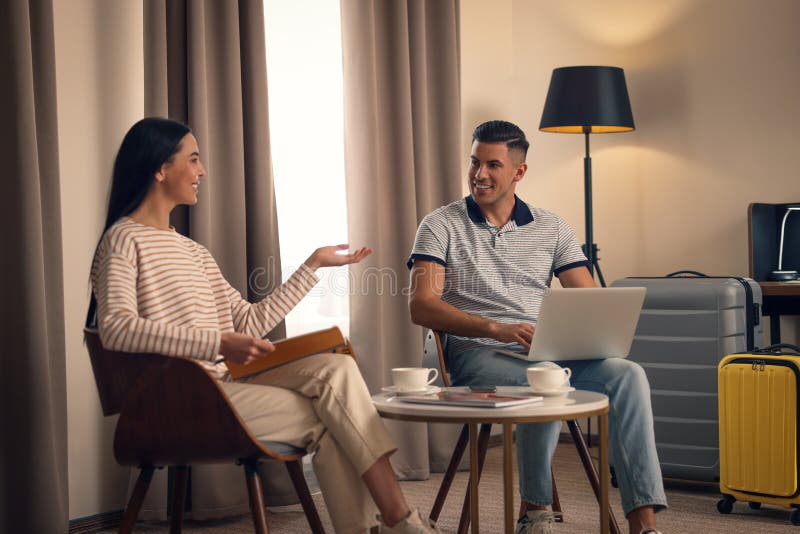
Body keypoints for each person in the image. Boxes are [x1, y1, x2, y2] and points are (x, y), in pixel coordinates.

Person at [88, 117, 439, 534]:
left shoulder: (194, 252)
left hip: (224, 389)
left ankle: (396, 523)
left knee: (338, 371)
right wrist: (216, 342)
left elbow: (251, 322)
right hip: (178, 402)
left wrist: (313, 266)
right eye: (194, 159)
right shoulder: (123, 241)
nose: (202, 171)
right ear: (160, 169)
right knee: (336, 417)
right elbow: (115, 328)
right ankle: (401, 522)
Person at [407, 120, 666, 534]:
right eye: (474, 162)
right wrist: (496, 328)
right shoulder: (441, 224)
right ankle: (535, 510)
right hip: (476, 354)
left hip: (545, 352)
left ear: (519, 172)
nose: (479, 174)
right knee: (545, 378)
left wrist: (584, 330)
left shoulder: (552, 227)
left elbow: (589, 300)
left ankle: (644, 522)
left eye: (492, 164)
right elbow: (422, 306)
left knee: (628, 375)